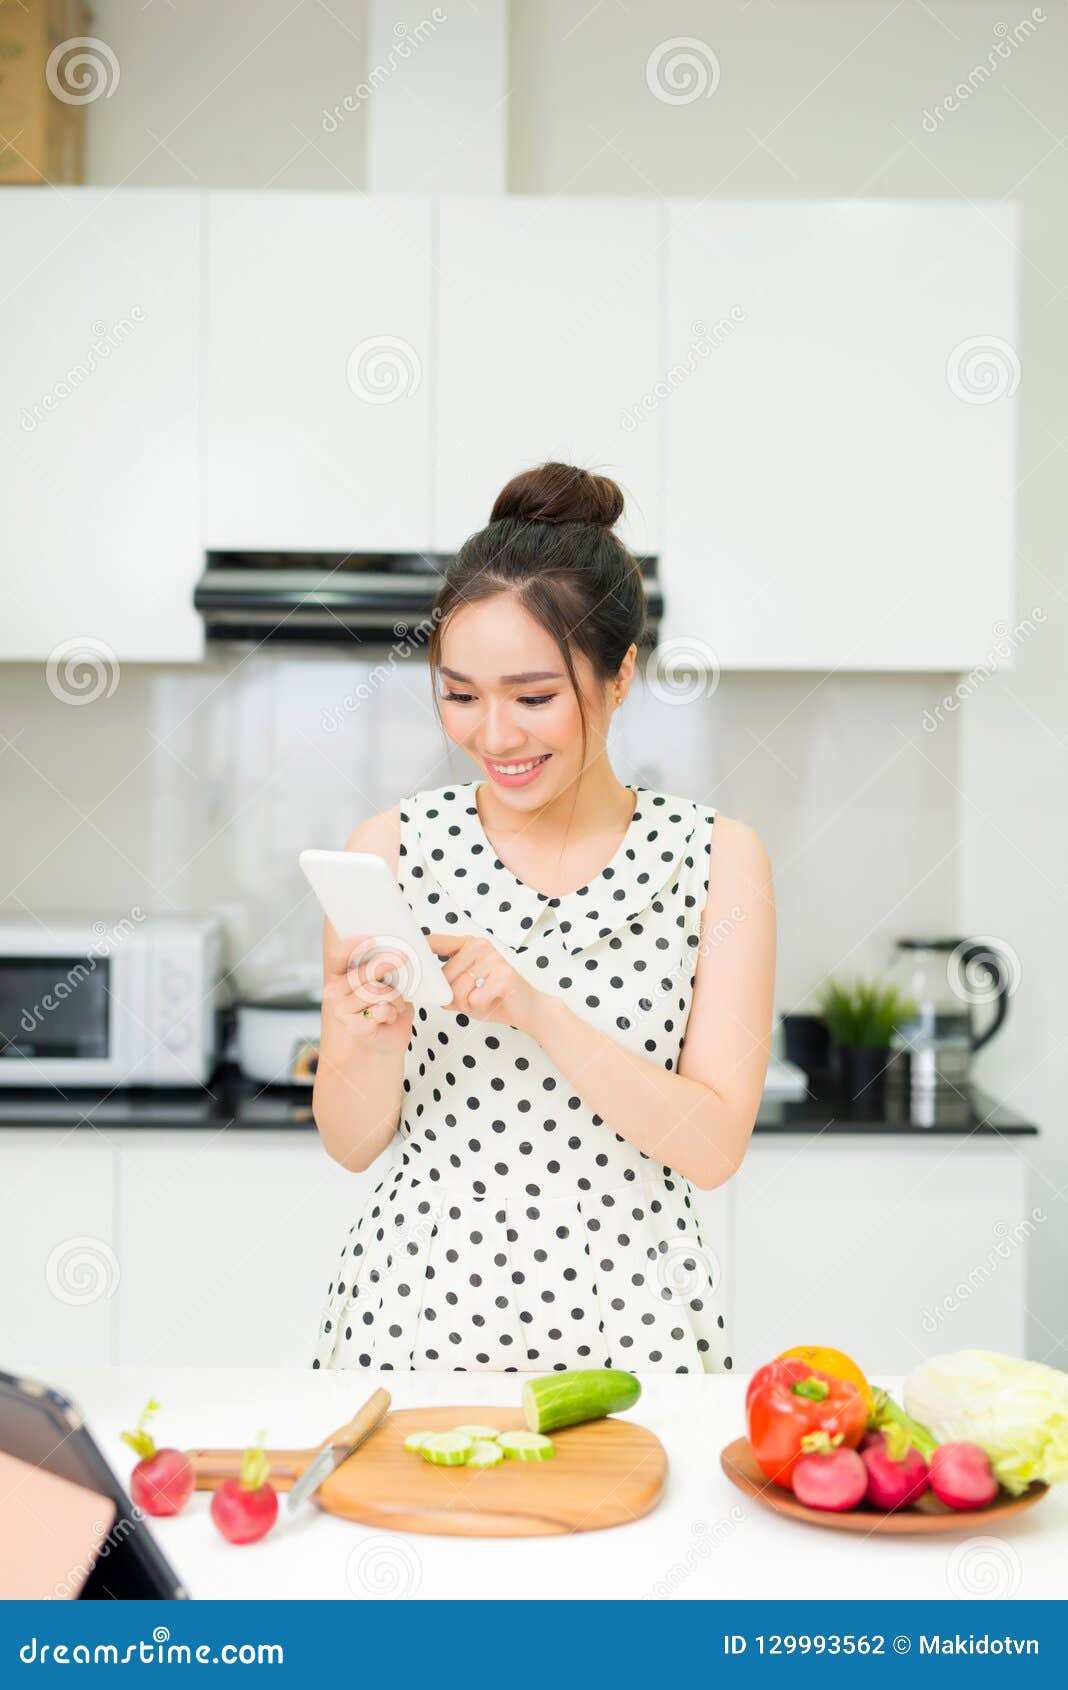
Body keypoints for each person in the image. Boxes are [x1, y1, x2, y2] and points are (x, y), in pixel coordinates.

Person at [311, 462, 776, 1373]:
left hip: (638, 1316)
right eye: (460, 694)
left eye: (533, 697)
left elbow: (713, 1148)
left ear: (618, 677)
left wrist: (538, 1009)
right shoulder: (390, 848)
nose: (494, 735)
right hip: (416, 1309)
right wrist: (363, 1034)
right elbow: (353, 1141)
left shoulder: (716, 859)